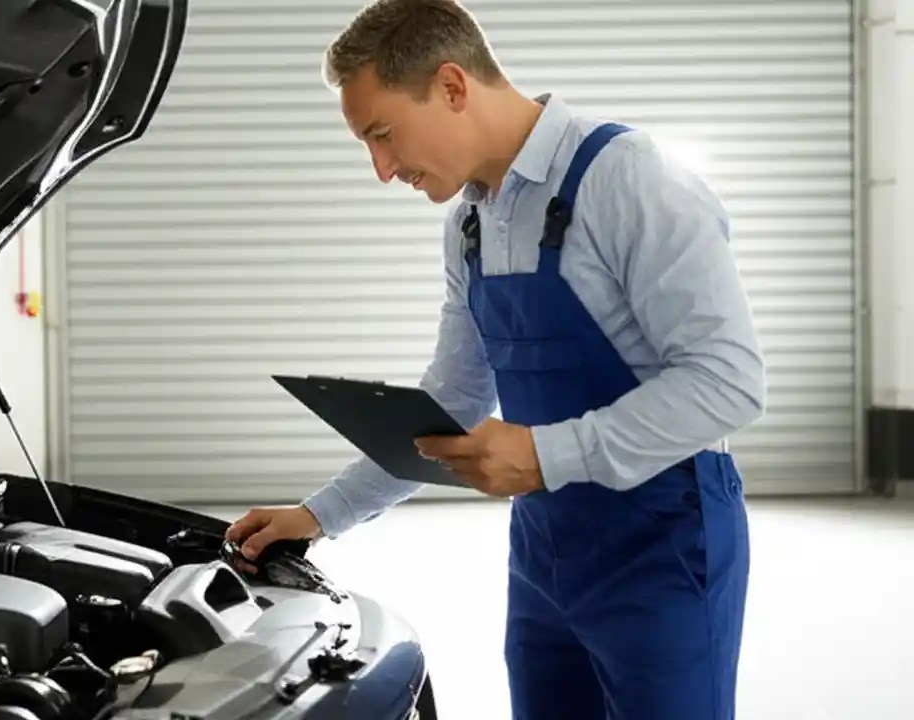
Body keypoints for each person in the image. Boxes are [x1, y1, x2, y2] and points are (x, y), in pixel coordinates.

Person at [223, 0, 766, 718]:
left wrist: (546, 453)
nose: (382, 170)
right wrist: (320, 514)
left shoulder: (632, 178)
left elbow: (728, 382)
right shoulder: (471, 222)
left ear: (452, 86)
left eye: (383, 135)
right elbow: (452, 401)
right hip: (545, 553)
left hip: (665, 544)